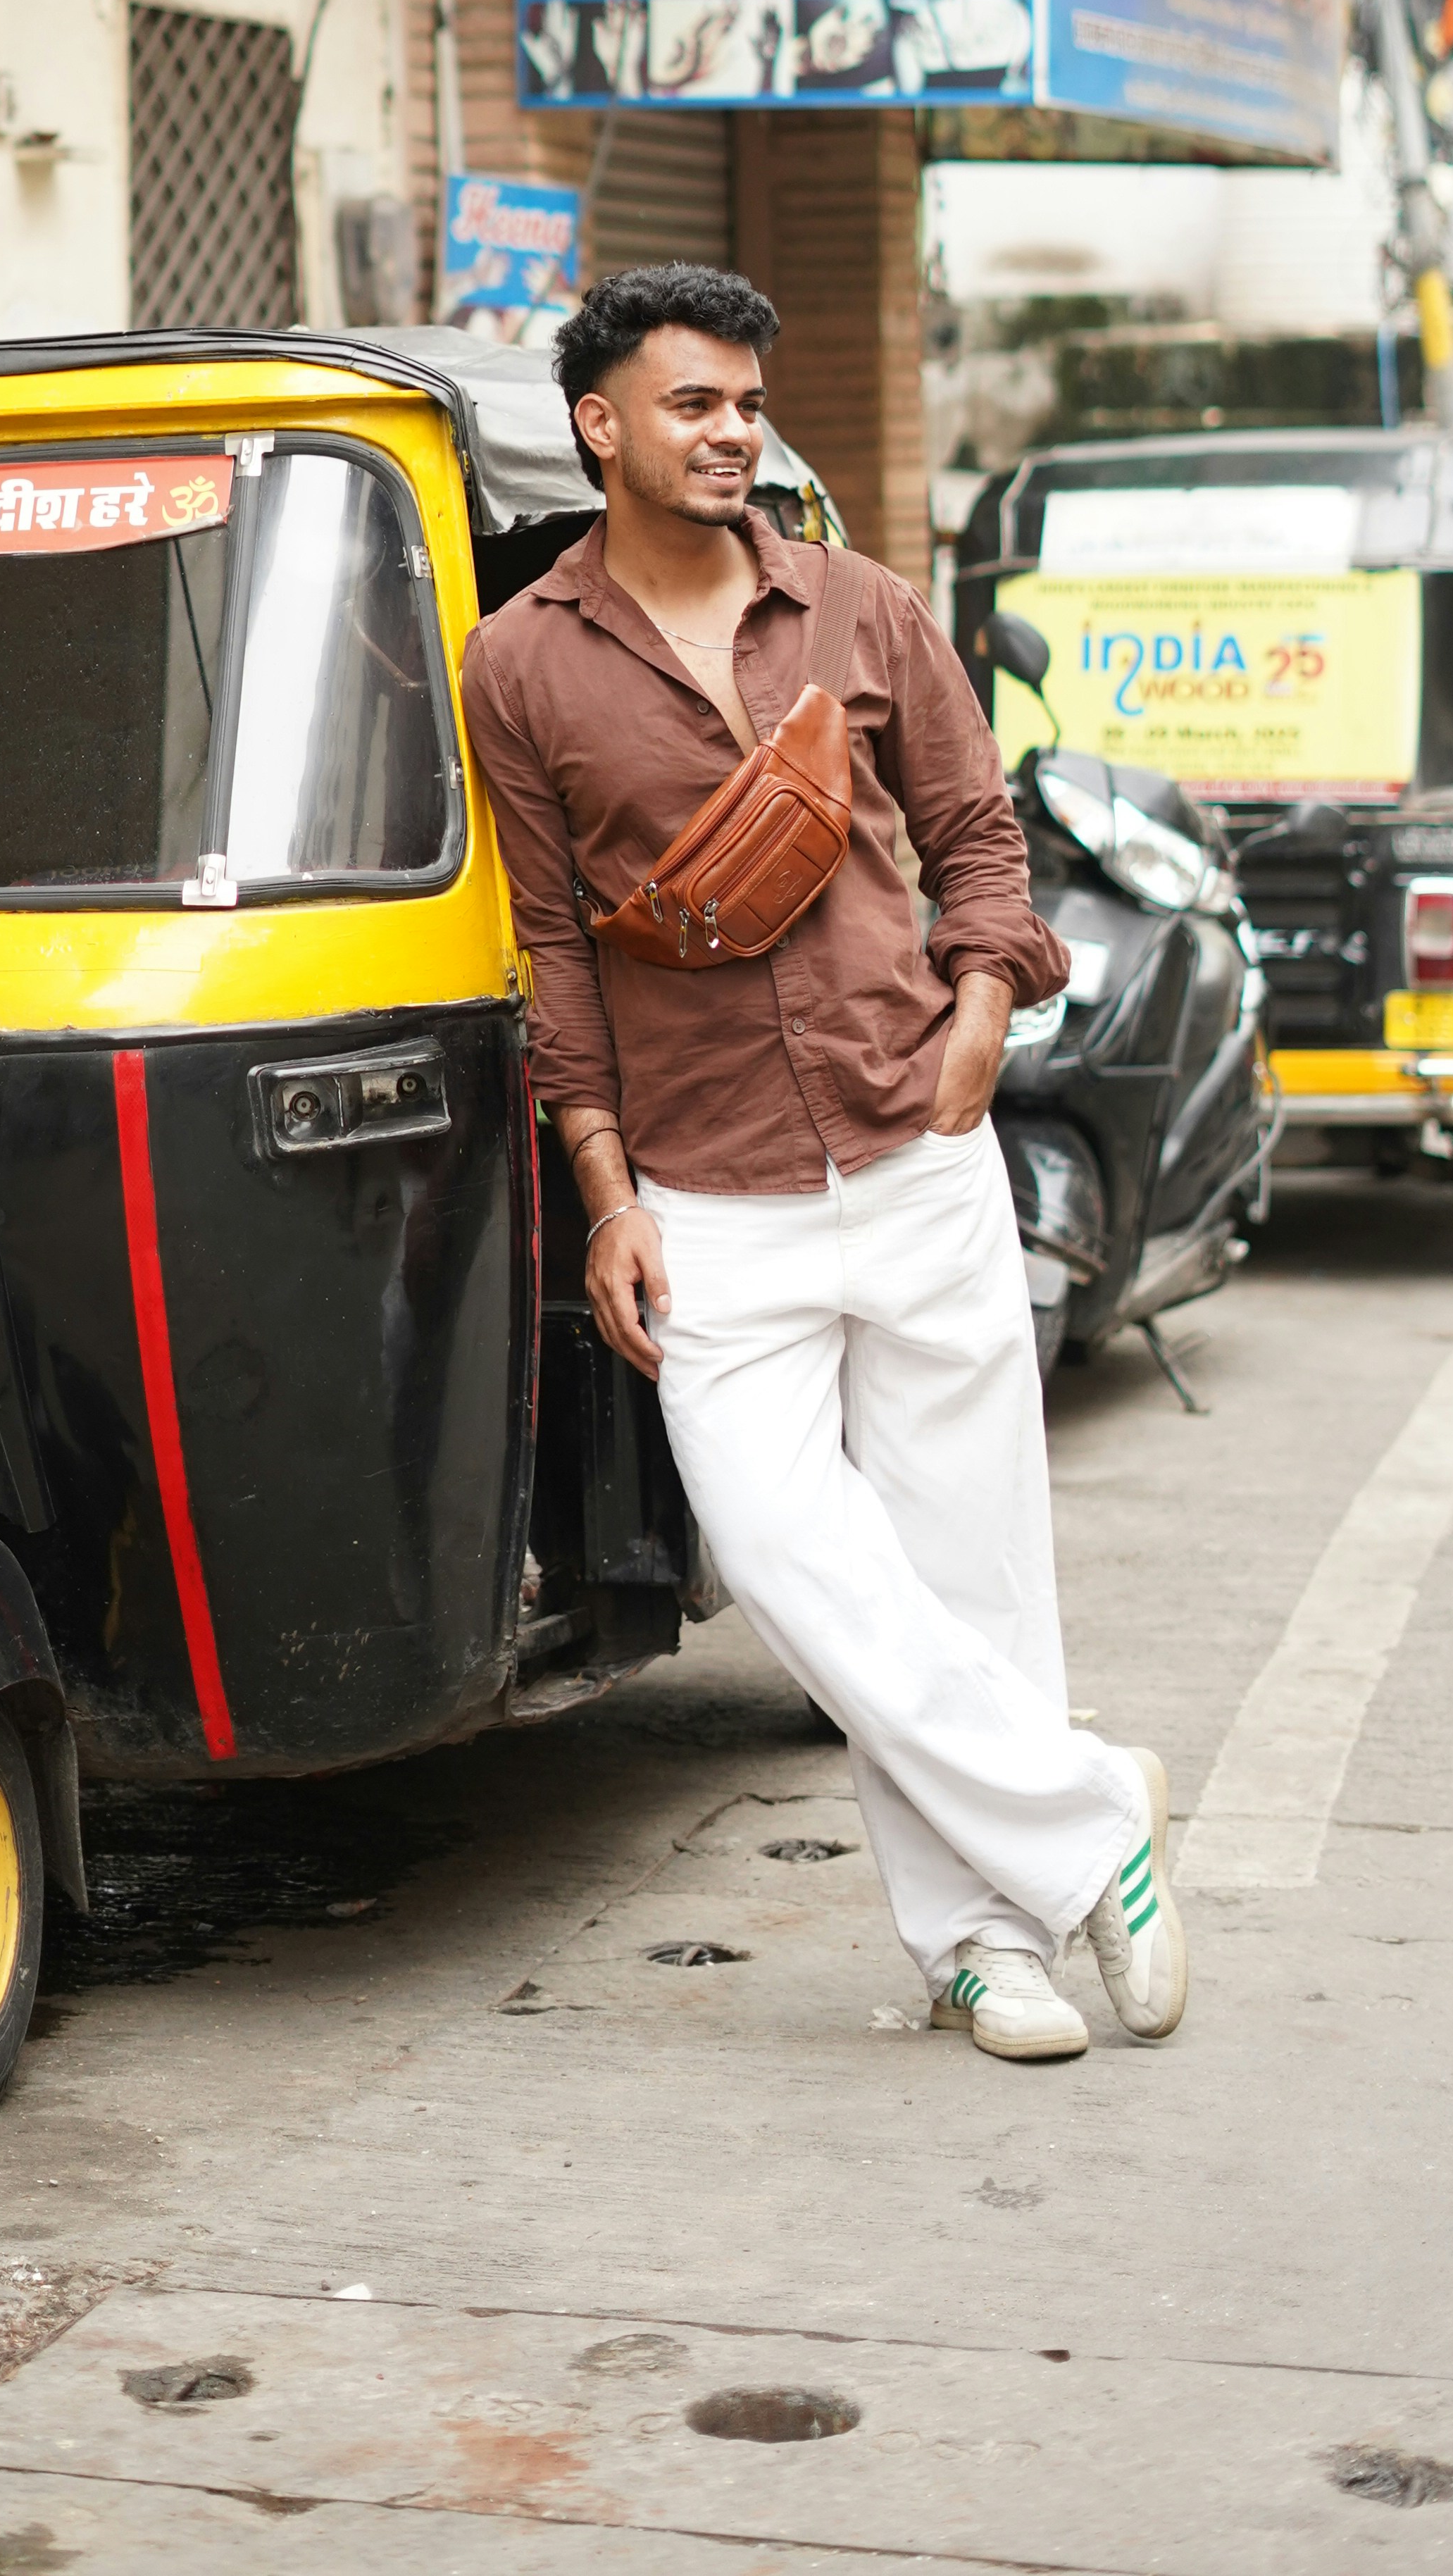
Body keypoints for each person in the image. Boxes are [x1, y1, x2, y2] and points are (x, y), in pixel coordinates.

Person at [458, 263, 1187, 2063]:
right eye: (690, 402)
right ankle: (1095, 1813)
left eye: (746, 403)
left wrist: (979, 1013)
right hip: (704, 1200)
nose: (729, 432)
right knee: (792, 1565)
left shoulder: (861, 610)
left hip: (913, 1149)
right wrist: (606, 1191)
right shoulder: (521, 661)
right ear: (600, 423)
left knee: (969, 1569)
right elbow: (550, 951)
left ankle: (982, 1941)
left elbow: (976, 836)